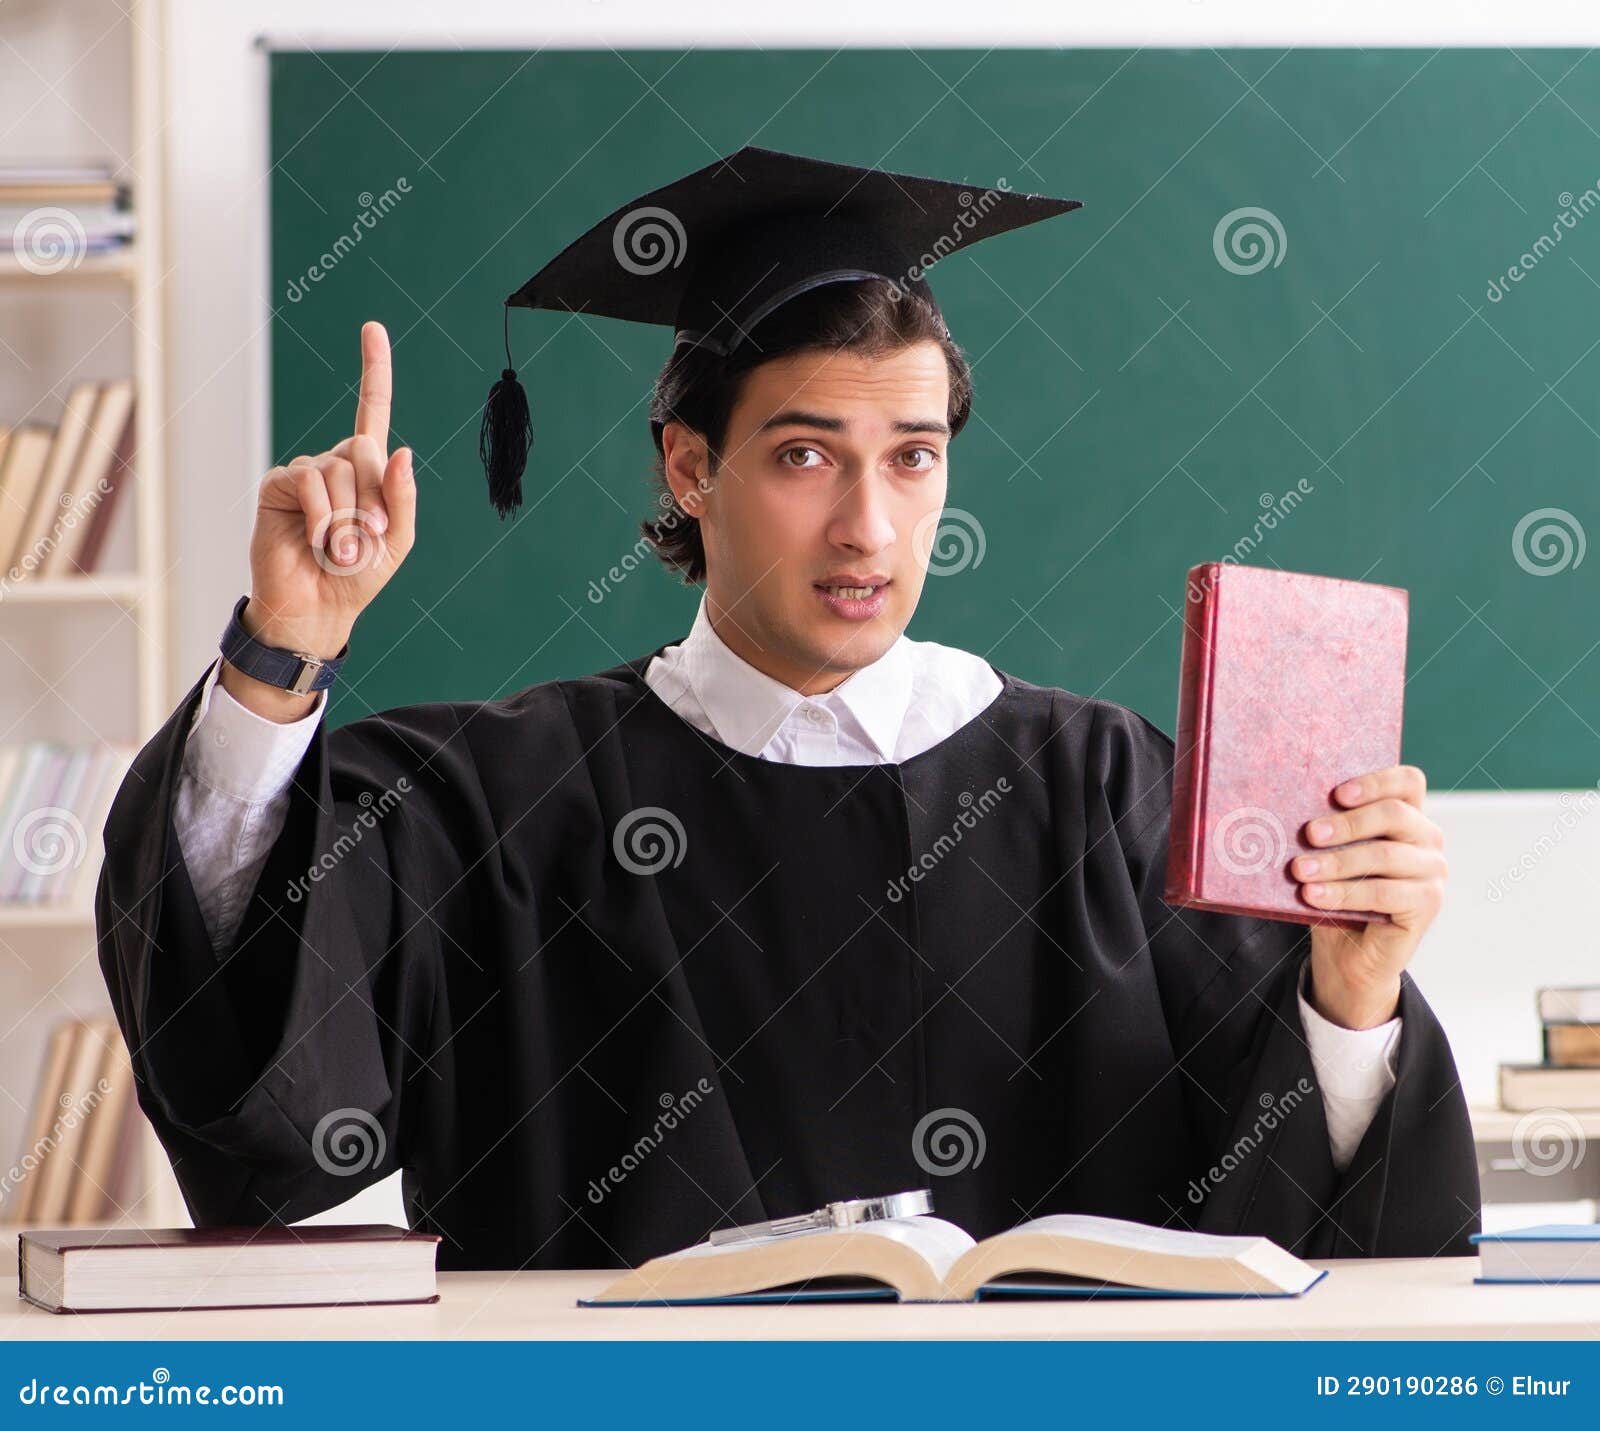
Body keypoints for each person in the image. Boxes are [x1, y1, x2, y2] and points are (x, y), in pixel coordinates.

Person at [96, 147, 1479, 1273]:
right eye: (805, 454)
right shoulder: (500, 801)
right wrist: (282, 658)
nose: (867, 527)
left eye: (913, 457)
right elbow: (255, 1080)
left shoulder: (1105, 793)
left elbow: (1303, 1232)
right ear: (690, 467)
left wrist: (1352, 999)